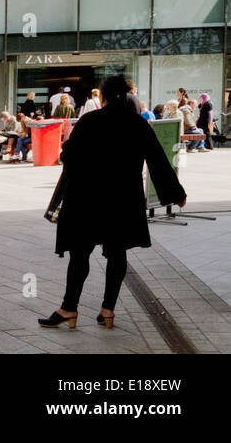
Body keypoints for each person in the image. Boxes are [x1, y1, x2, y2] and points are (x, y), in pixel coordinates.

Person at [39, 74, 186, 330]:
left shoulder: (89, 121)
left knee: (80, 254)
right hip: (123, 200)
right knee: (117, 253)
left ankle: (69, 308)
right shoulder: (137, 124)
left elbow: (69, 157)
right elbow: (158, 160)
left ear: (103, 96)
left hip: (87, 199)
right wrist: (176, 193)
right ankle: (108, 310)